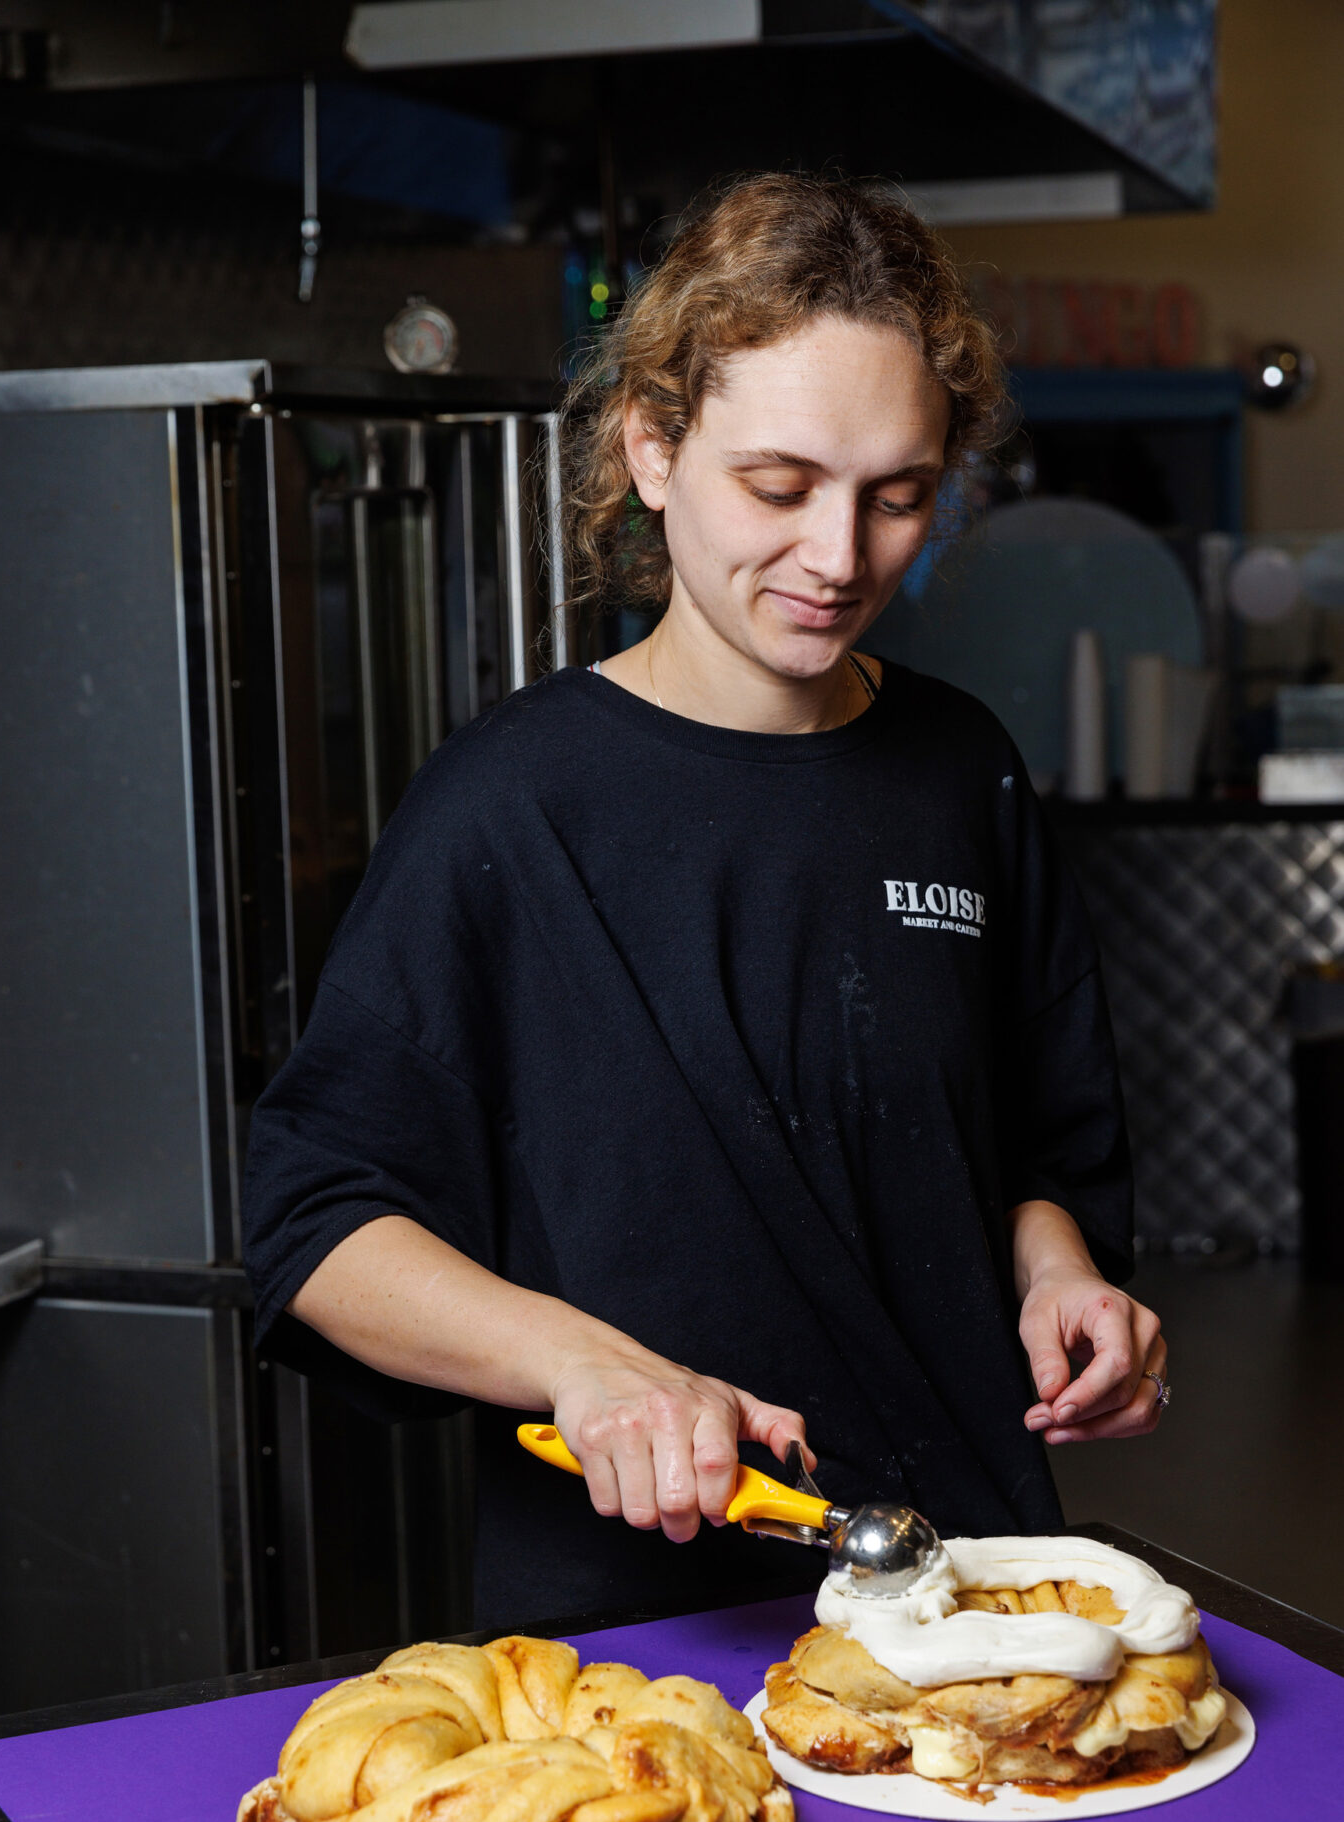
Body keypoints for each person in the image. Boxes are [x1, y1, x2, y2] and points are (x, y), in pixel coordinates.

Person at [243, 173, 1167, 1631]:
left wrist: (1065, 1283)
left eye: (898, 497)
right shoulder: (510, 805)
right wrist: (579, 1362)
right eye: (779, 487)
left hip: (968, 1583)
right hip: (644, 1632)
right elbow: (315, 1222)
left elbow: (1032, 1141)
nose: (837, 557)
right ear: (654, 450)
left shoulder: (959, 772)